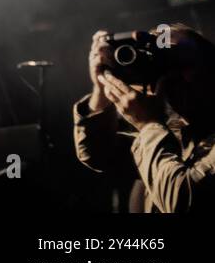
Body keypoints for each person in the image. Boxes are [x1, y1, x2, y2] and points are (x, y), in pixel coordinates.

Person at [74, 24, 215, 211]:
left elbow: (182, 200)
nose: (165, 79)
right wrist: (101, 90)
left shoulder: (156, 131)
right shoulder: (174, 133)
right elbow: (97, 154)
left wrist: (148, 125)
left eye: (174, 59)